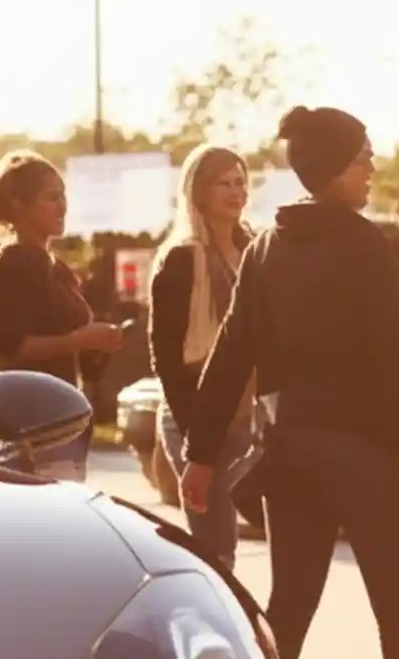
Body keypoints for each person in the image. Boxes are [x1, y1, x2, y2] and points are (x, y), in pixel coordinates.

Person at [180, 106, 399, 659]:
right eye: (364, 159)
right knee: (397, 614)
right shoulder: (365, 245)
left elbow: (229, 357)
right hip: (364, 455)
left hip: (290, 451)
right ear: (337, 167)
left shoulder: (265, 248)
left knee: (289, 610)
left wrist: (198, 455)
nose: (372, 168)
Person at [0, 149, 126, 481]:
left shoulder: (52, 264)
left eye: (63, 196)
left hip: (63, 419)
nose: (62, 207)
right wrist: (80, 338)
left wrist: (96, 343)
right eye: (51, 198)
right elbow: (10, 348)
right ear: (20, 204)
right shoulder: (15, 261)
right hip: (34, 423)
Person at [149, 143, 255, 569]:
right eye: (223, 183)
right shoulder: (181, 258)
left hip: (248, 412)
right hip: (194, 414)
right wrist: (200, 448)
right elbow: (167, 360)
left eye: (241, 182)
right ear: (198, 191)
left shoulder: (256, 251)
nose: (236, 192)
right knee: (216, 547)